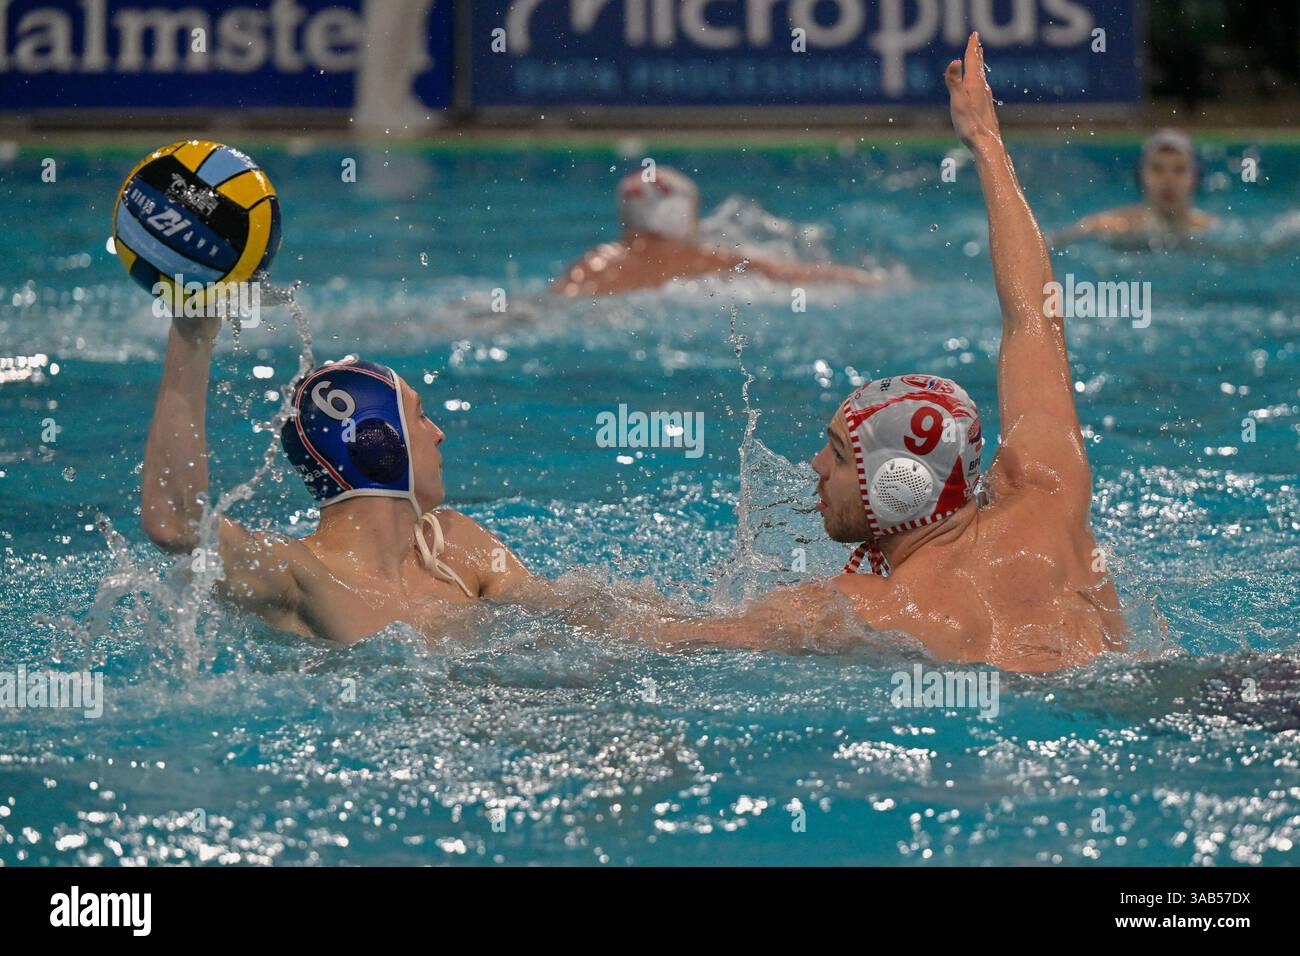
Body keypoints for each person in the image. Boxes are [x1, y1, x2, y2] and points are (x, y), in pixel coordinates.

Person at [654, 34, 1127, 673]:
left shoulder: (862, 611)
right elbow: (1033, 324)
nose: (816, 464)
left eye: (842, 453)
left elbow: (650, 643)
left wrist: (510, 591)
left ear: (895, 489)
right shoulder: (1050, 498)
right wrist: (987, 144)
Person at [140, 310, 533, 645]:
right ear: (376, 438)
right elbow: (176, 524)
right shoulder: (297, 576)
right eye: (419, 416)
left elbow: (565, 613)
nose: (438, 433)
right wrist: (191, 337)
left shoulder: (452, 544)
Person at [552, 165, 887, 296]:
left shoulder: (592, 264)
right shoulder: (702, 261)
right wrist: (872, 281)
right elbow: (793, 275)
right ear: (677, 215)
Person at [1052, 128, 1216, 247]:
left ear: (1195, 178)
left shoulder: (1211, 229)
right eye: (1157, 169)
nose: (1168, 180)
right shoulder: (1108, 226)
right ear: (1141, 176)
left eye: (1179, 169)